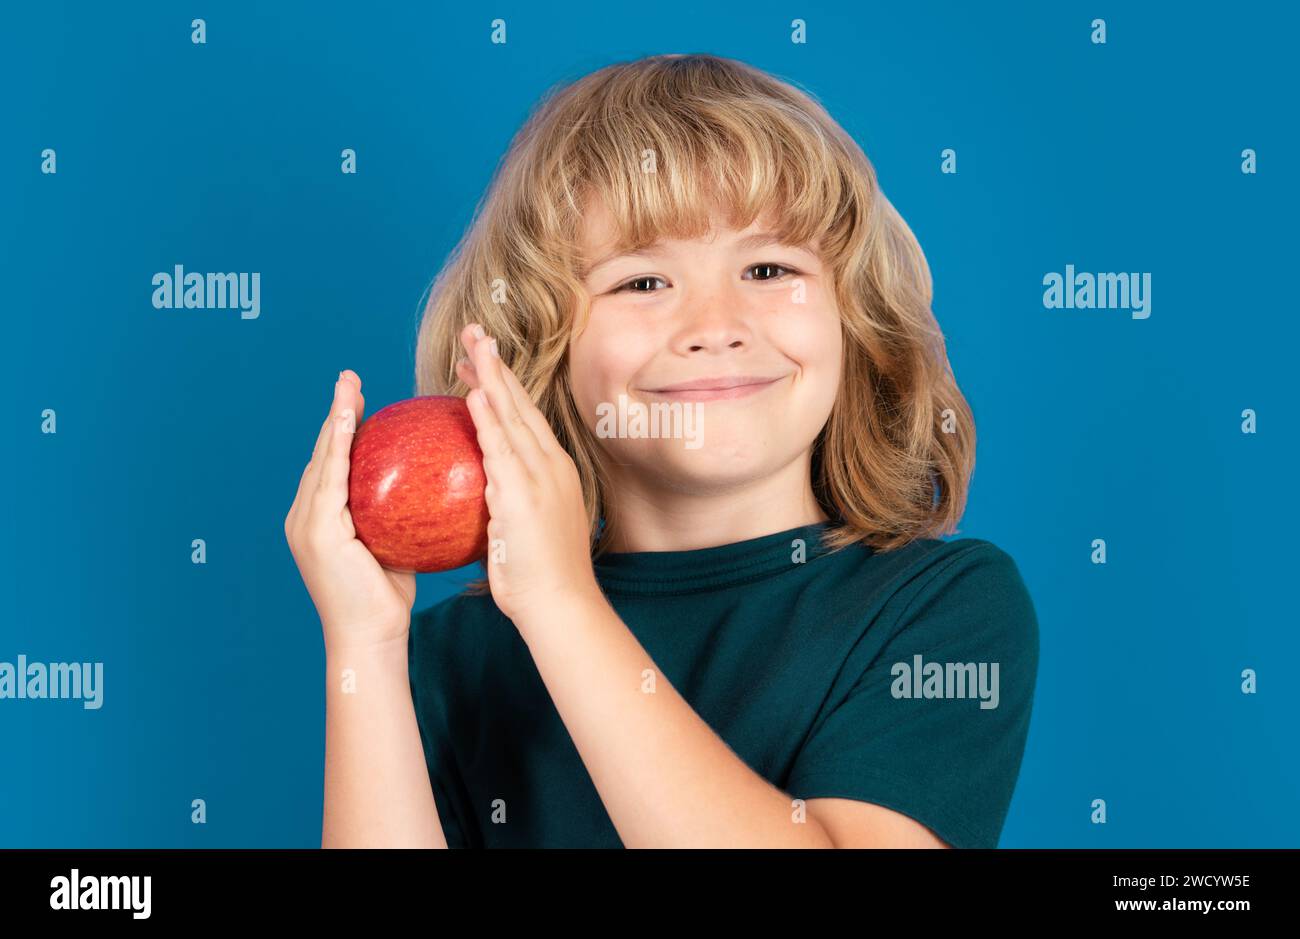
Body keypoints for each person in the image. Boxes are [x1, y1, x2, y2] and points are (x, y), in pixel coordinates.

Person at [285, 53, 1039, 848]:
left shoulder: (942, 608)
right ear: (542, 346)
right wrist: (365, 646)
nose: (715, 324)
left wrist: (562, 607)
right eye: (643, 282)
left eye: (768, 267)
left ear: (855, 320)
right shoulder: (457, 662)